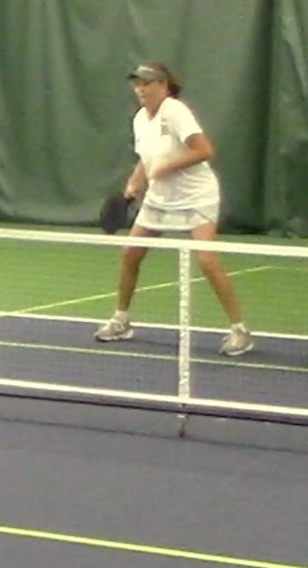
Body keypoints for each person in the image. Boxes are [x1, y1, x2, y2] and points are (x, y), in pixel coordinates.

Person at [94, 62, 253, 356]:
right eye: (137, 84)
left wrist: (168, 166)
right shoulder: (140, 118)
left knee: (207, 260)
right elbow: (146, 158)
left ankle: (240, 331)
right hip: (159, 197)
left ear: (164, 86)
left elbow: (205, 150)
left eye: (147, 83)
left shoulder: (176, 112)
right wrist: (133, 184)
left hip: (196, 195)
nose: (140, 89)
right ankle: (121, 321)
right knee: (130, 254)